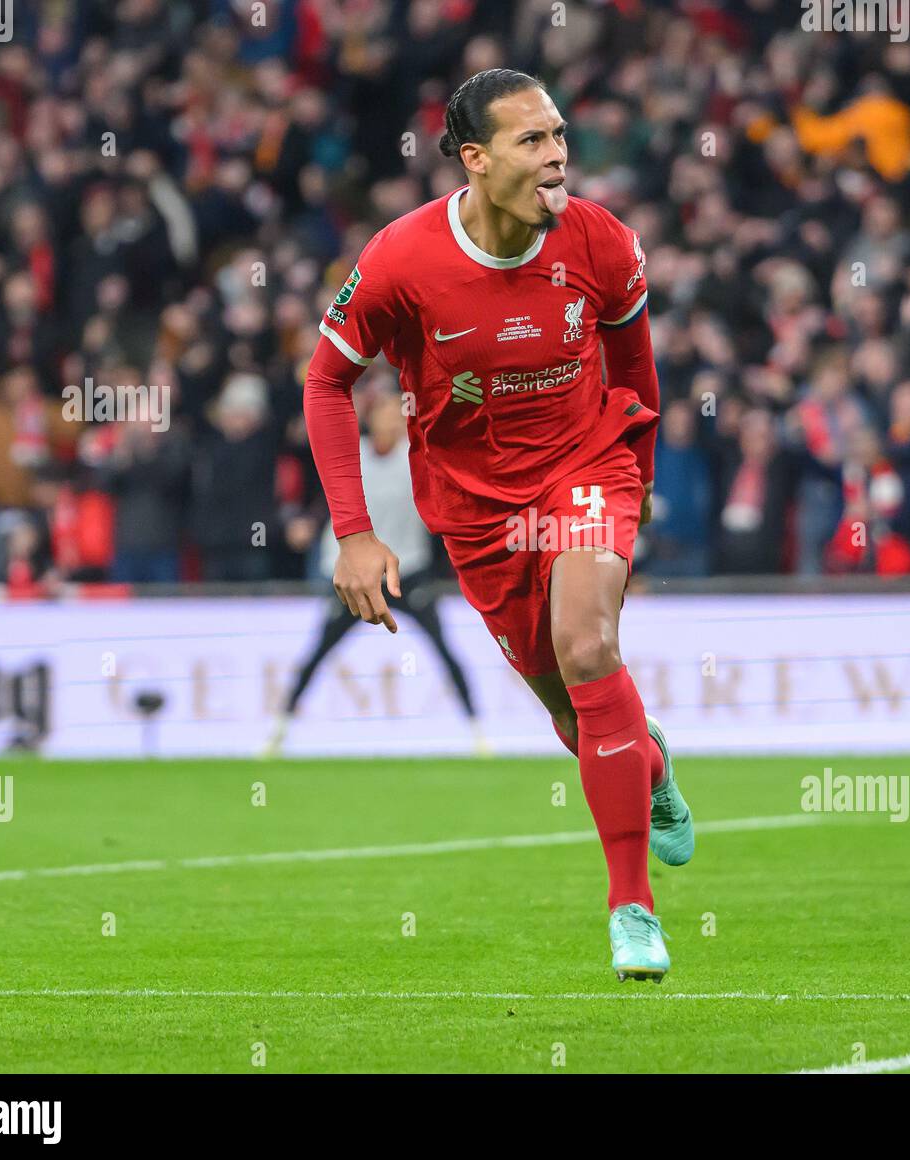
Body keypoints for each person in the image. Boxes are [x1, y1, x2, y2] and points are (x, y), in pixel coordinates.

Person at [302, 69, 693, 982]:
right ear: (475, 161)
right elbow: (326, 382)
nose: (558, 154)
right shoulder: (402, 260)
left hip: (589, 465)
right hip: (476, 510)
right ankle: (653, 765)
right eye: (532, 140)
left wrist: (638, 494)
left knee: (588, 645)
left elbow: (637, 375)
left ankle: (630, 908)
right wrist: (353, 532)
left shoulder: (602, 242)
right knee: (566, 700)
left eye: (559, 134)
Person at [265, 392, 483, 756]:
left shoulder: (416, 459)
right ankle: (280, 730)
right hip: (358, 574)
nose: (392, 424)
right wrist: (307, 525)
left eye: (397, 418)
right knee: (320, 651)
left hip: (406, 570)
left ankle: (477, 731)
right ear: (372, 421)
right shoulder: (355, 455)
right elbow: (328, 502)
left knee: (444, 648)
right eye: (385, 417)